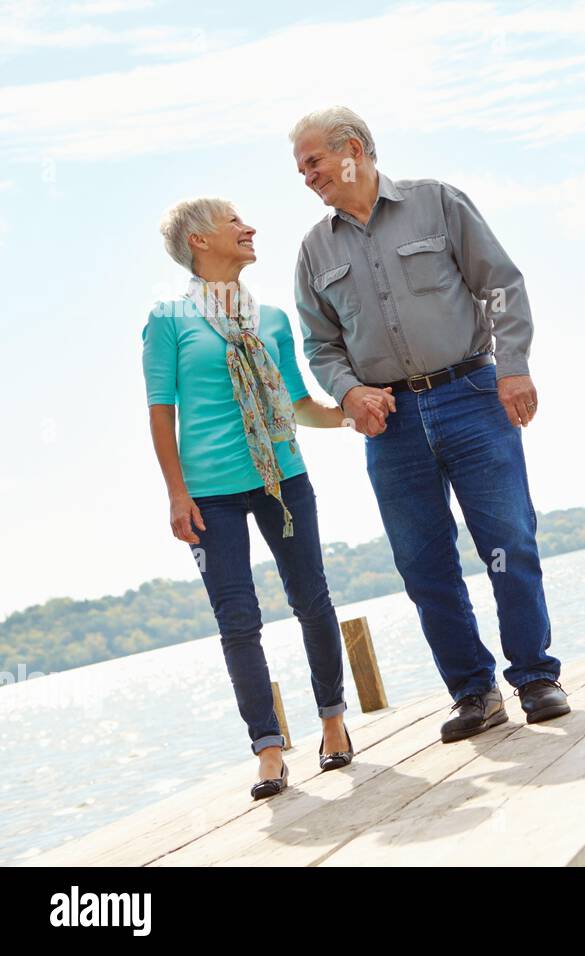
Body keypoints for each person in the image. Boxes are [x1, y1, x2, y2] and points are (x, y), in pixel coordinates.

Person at [289, 106, 568, 743]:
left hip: (471, 393)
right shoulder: (314, 249)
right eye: (302, 167)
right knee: (422, 564)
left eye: (314, 162)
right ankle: (474, 691)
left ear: (352, 148)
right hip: (391, 423)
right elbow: (321, 345)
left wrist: (514, 366)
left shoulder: (436, 203)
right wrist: (350, 390)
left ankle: (535, 677)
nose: (307, 177)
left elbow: (500, 286)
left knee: (508, 539)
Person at [143, 197, 392, 799]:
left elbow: (297, 405)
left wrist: (350, 414)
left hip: (283, 479)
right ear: (199, 240)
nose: (248, 227)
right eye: (233, 221)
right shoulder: (168, 319)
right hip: (210, 495)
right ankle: (268, 748)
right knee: (238, 621)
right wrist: (177, 495)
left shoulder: (273, 319)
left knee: (312, 598)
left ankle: (333, 722)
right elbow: (161, 412)